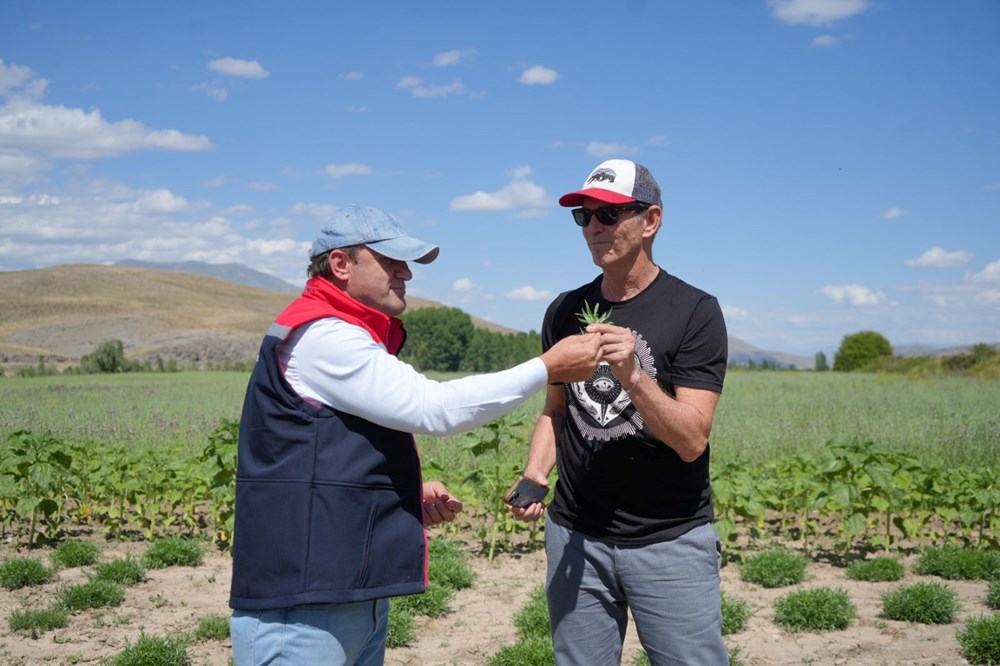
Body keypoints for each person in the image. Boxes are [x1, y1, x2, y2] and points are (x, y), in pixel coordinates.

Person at [228, 203, 603, 666]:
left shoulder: (339, 331)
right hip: (302, 609)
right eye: (390, 262)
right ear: (341, 264)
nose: (405, 273)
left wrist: (398, 493)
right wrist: (548, 367)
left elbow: (324, 455)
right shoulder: (324, 336)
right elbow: (435, 409)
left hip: (335, 594)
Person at [509, 160, 729, 665]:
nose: (592, 228)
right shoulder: (565, 310)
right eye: (584, 217)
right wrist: (535, 473)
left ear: (650, 220)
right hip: (575, 535)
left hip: (669, 539)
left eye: (608, 215)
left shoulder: (694, 311)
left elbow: (692, 439)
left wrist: (632, 374)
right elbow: (557, 410)